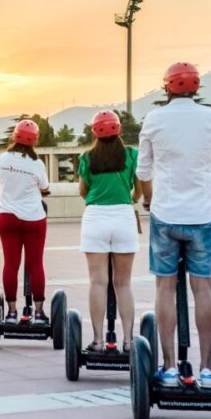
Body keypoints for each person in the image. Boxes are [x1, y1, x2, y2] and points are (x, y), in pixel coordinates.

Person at [137, 62, 211, 389]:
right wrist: (202, 193)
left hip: (166, 214)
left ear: (166, 87)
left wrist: (150, 199)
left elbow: (143, 172)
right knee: (203, 288)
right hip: (202, 215)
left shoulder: (154, 119)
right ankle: (206, 369)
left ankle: (170, 367)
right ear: (196, 87)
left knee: (164, 287)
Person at [78, 110, 142, 352]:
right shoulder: (132, 154)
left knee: (98, 282)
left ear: (94, 132)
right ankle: (128, 341)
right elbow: (139, 188)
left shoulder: (87, 157)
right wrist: (132, 197)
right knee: (123, 283)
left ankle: (98, 341)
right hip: (124, 216)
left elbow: (82, 191)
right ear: (119, 129)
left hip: (95, 217)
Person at [0, 120, 50, 325]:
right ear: (35, 140)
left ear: (14, 136)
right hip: (34, 219)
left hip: (8, 217)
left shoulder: (3, 158)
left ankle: (11, 312)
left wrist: (10, 182)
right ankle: (39, 313)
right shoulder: (37, 163)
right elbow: (44, 187)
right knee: (36, 264)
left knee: (10, 264)